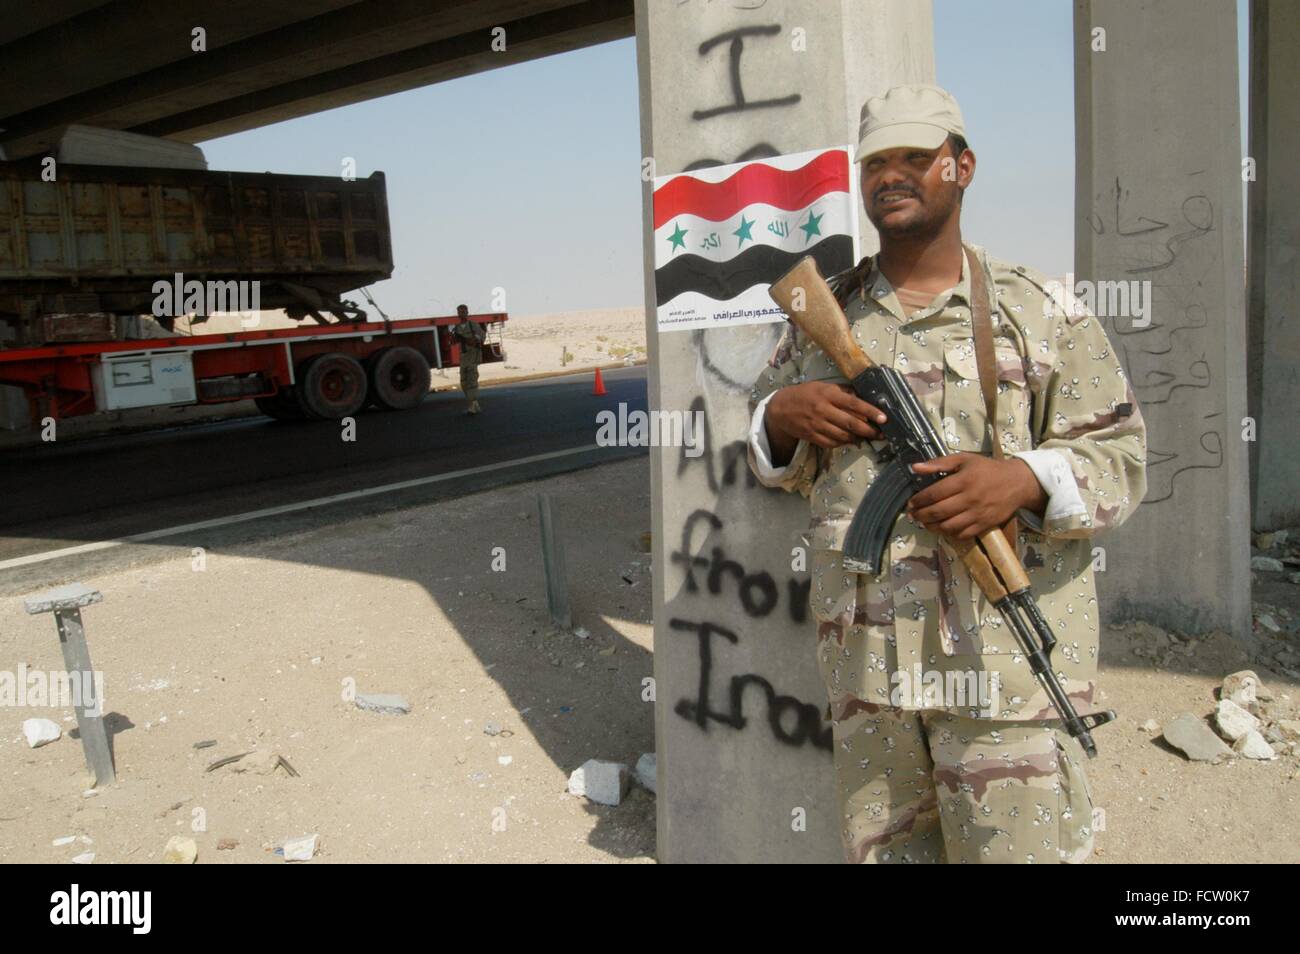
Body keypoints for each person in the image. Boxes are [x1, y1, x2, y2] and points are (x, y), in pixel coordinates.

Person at [747, 84, 1147, 864]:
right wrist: (781, 417)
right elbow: (771, 458)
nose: (891, 176)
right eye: (876, 163)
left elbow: (1124, 462)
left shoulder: (1042, 313)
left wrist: (1022, 481)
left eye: (915, 159)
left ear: (961, 168)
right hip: (871, 682)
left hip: (1007, 680)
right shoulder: (825, 314)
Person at [451, 304, 485, 414]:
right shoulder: (457, 328)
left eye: (463, 311)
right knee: (464, 381)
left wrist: (475, 339)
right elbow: (453, 342)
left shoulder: (473, 325)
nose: (461, 314)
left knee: (472, 380)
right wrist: (452, 337)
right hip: (463, 357)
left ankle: (472, 405)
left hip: (473, 355)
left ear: (467, 312)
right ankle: (475, 403)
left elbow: (482, 337)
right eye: (459, 312)